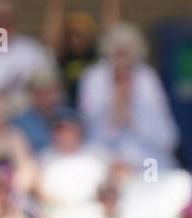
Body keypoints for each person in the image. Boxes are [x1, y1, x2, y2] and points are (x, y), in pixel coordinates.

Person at [77, 22, 180, 169]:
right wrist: (113, 110)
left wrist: (134, 118)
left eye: (126, 55)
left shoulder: (147, 77)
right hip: (104, 156)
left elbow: (167, 136)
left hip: (146, 156)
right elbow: (86, 125)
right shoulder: (94, 77)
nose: (122, 63)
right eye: (118, 54)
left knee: (154, 172)